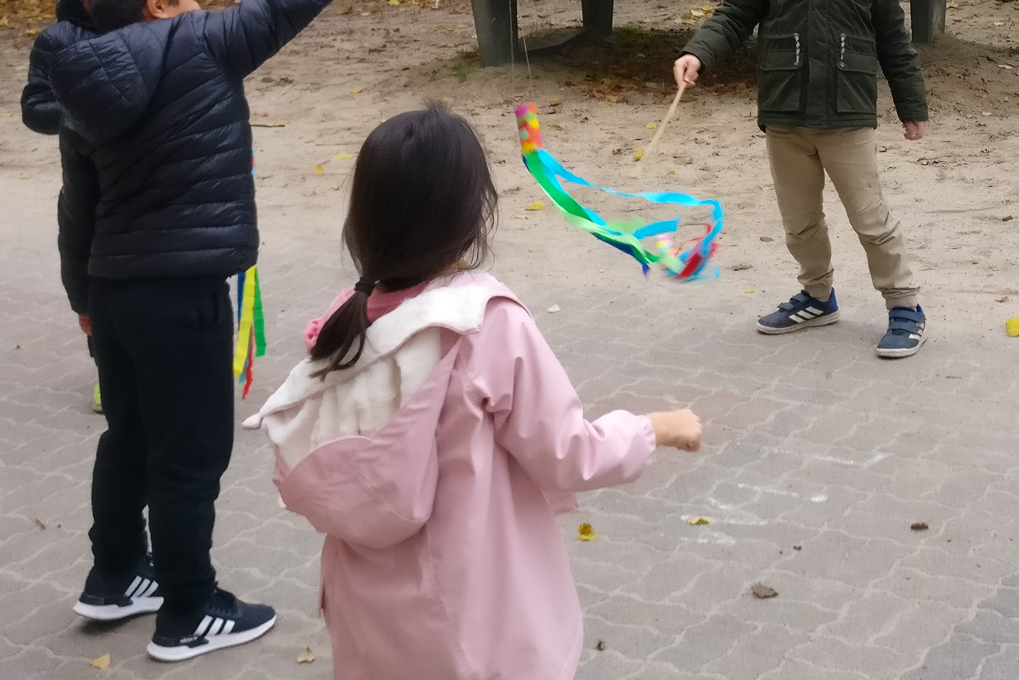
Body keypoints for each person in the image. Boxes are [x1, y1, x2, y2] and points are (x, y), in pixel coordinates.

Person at [49, 0, 430, 661]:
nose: (207, 7)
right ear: (159, 6)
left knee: (128, 437)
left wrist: (83, 299)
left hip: (115, 292)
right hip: (181, 292)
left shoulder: (80, 75)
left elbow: (77, 200)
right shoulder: (201, 46)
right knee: (189, 457)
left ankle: (116, 574)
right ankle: (188, 610)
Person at [251, 104, 702, 680]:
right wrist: (655, 428)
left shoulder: (346, 320)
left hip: (371, 620)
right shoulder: (482, 323)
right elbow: (567, 453)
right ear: (474, 214)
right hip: (476, 621)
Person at [673, 0, 931, 358]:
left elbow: (893, 39)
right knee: (800, 220)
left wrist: (911, 106)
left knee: (871, 219)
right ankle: (818, 295)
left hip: (846, 114)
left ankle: (905, 306)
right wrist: (697, 52)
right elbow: (735, 14)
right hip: (785, 110)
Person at [22, 0, 140, 424]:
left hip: (144, 178)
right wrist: (88, 112)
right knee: (88, 269)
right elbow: (35, 108)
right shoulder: (58, 40)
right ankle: (108, 368)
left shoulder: (148, 21)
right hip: (88, 184)